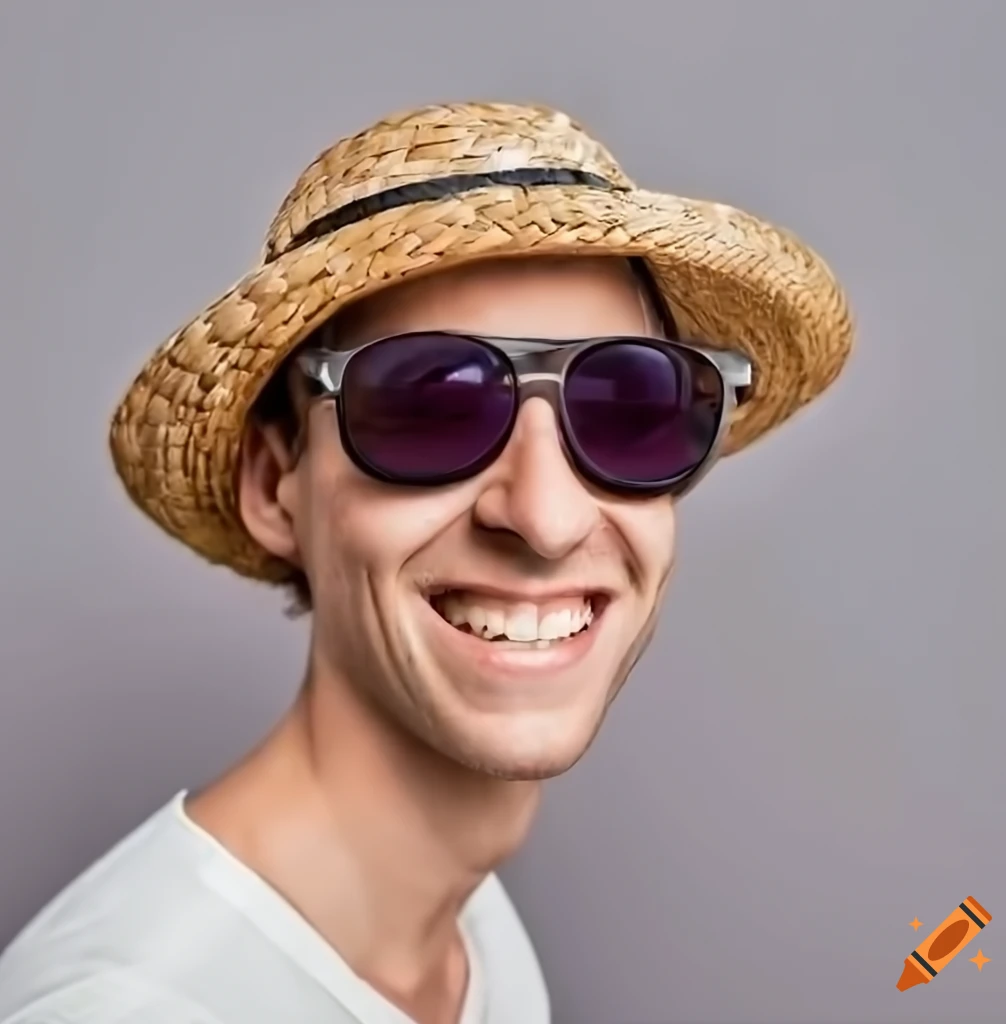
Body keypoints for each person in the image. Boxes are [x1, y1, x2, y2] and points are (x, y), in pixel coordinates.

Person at [0, 101, 853, 1024]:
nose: (545, 516)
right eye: (430, 406)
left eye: (625, 405)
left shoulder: (470, 941)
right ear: (275, 482)